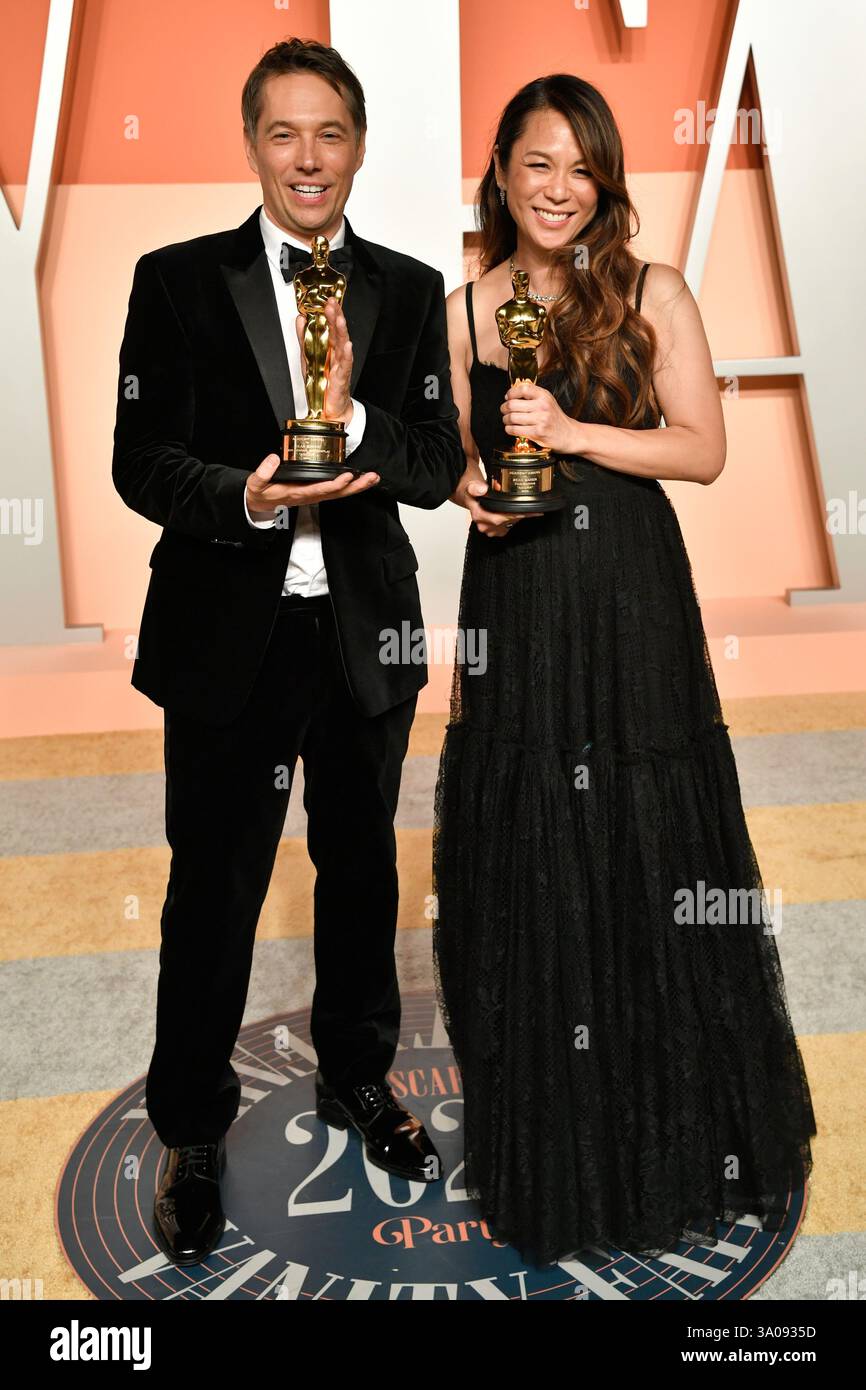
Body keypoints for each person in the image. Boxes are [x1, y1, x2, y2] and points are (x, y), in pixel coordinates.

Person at [432, 74, 817, 1265]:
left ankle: (680, 1130)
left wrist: (576, 433)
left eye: (580, 166)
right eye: (536, 163)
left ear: (603, 180)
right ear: (500, 171)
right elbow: (453, 456)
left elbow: (700, 449)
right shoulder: (461, 309)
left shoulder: (651, 290)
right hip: (519, 598)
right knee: (530, 842)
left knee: (648, 837)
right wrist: (475, 491)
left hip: (629, 592)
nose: (557, 187)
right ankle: (557, 1136)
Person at [112, 38, 464, 1266]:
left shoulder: (412, 291)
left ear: (358, 146)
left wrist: (363, 417)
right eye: (282, 134)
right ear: (250, 142)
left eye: (329, 135)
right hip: (227, 641)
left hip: (365, 635)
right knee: (211, 893)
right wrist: (246, 499)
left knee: (362, 875)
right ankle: (193, 1130)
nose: (307, 159)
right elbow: (138, 460)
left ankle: (357, 1078)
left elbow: (431, 465)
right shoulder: (176, 282)